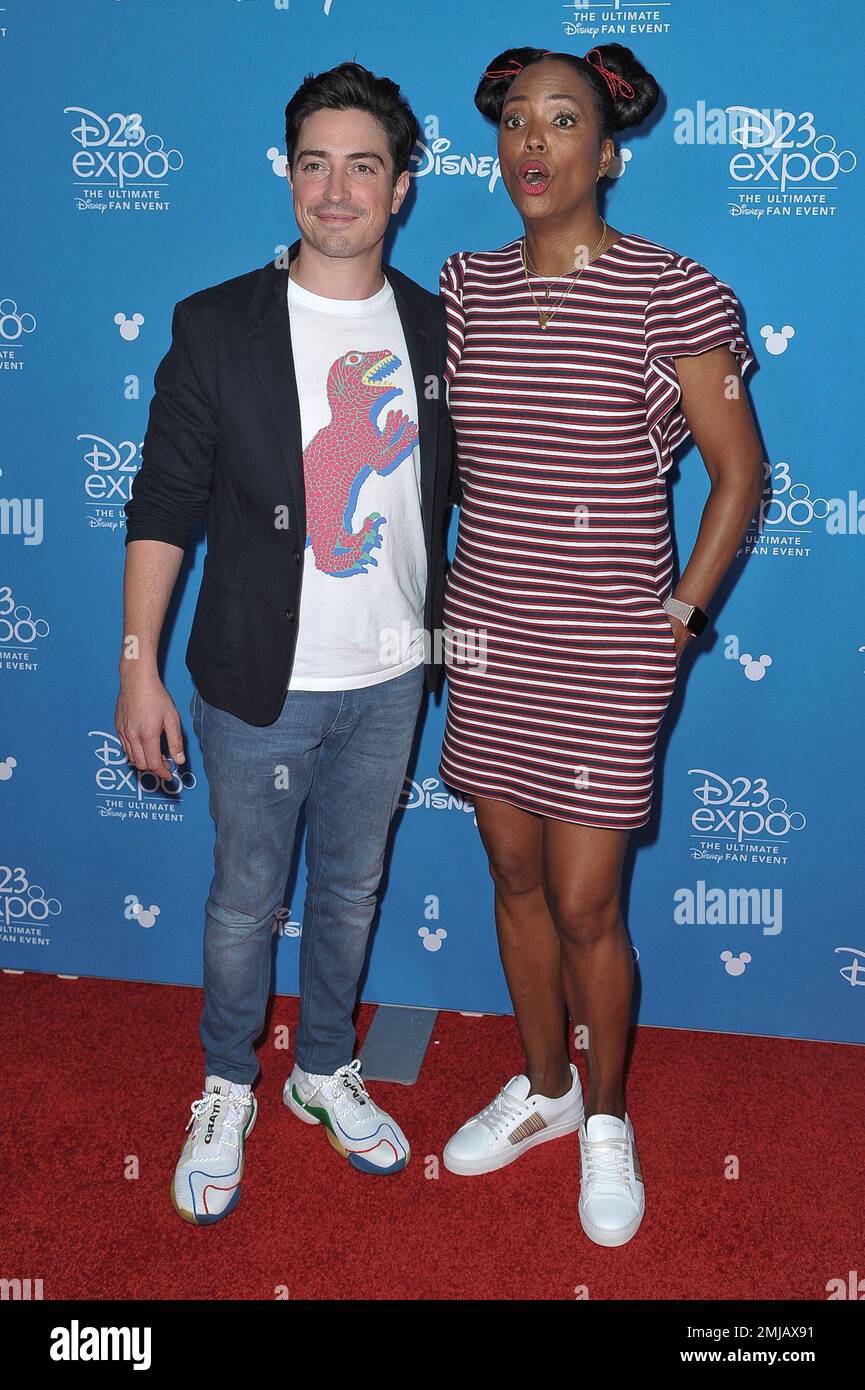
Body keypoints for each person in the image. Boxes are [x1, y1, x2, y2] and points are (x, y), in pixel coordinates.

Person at [116, 61, 459, 1224]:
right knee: (241, 900)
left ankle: (323, 1066)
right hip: (261, 681)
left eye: (363, 164)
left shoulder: (432, 325)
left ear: (401, 186)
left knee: (354, 891)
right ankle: (226, 1084)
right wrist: (137, 667)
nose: (336, 188)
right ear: (289, 175)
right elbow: (162, 503)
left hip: (393, 677)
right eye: (314, 162)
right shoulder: (218, 325)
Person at [436, 44, 763, 1247]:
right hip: (490, 630)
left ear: (607, 153)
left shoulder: (676, 290)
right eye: (516, 122)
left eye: (560, 121)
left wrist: (675, 620)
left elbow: (742, 475)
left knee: (585, 904)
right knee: (511, 877)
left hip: (614, 643)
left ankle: (608, 1117)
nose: (531, 143)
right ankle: (545, 1088)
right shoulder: (464, 285)